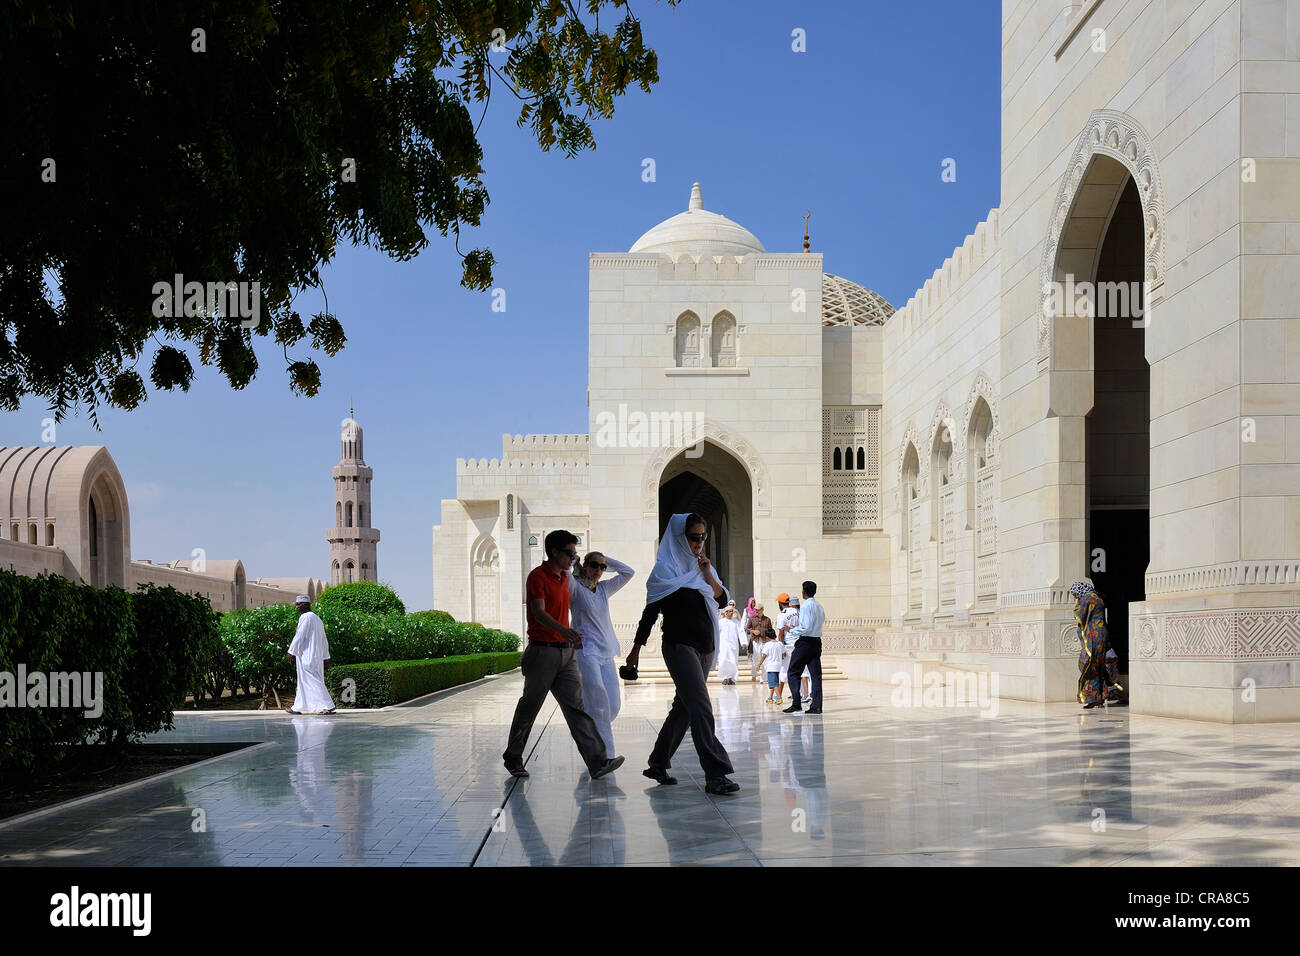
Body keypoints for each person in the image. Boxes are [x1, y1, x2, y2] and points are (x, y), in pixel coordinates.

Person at [626, 512, 740, 795]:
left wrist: (707, 574)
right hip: (679, 646)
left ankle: (657, 761)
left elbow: (722, 600)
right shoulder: (664, 572)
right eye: (694, 537)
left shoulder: (701, 568)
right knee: (701, 707)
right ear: (680, 537)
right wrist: (635, 651)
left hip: (705, 647)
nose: (699, 542)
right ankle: (715, 774)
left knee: (685, 708)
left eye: (703, 536)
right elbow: (649, 614)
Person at [503, 530, 625, 780]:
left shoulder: (564, 578)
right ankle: (513, 757)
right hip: (542, 652)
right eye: (570, 553)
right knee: (530, 707)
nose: (573, 557)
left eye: (575, 553)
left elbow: (587, 579)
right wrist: (565, 630)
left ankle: (597, 762)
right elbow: (538, 612)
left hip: (566, 654)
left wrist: (593, 563)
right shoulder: (537, 576)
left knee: (576, 709)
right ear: (554, 552)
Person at [568, 549, 636, 758]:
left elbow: (628, 572)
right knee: (598, 704)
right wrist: (575, 564)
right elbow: (565, 574)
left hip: (606, 654)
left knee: (612, 706)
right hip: (586, 653)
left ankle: (585, 729)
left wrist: (605, 558)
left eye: (603, 567)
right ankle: (605, 757)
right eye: (595, 565)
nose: (599, 570)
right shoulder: (575, 587)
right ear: (585, 566)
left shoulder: (604, 589)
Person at [1072, 580, 1123, 709]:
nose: (1075, 597)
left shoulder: (1087, 598)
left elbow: (1079, 615)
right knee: (1097, 665)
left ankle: (1094, 696)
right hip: (1101, 635)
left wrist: (1077, 605)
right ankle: (1102, 694)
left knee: (1087, 664)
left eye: (1075, 594)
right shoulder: (1097, 597)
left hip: (1093, 637)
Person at [286, 595, 335, 714]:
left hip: (307, 656)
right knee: (304, 682)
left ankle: (328, 705)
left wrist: (291, 651)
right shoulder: (317, 619)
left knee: (313, 681)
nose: (297, 607)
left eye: (299, 604)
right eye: (296, 604)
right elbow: (324, 639)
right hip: (315, 656)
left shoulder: (306, 617)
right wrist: (325, 656)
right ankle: (299, 706)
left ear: (307, 605)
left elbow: (299, 635)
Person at [783, 580, 826, 714]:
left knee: (793, 672)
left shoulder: (807, 606)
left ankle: (796, 703)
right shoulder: (819, 606)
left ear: (804, 592)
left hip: (805, 643)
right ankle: (817, 706)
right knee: (816, 675)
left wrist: (792, 631)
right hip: (816, 642)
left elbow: (805, 627)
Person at [775, 593, 798, 704]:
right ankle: (798, 695)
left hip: (788, 646)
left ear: (780, 603)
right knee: (797, 671)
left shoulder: (781, 615)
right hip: (798, 644)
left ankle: (778, 696)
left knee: (784, 671)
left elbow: (780, 634)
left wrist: (781, 649)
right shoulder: (796, 611)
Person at [746, 602, 774, 688]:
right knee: (755, 659)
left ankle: (763, 679)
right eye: (756, 610)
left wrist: (772, 640)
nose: (756, 611)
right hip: (756, 641)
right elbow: (747, 629)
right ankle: (754, 675)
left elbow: (771, 630)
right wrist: (753, 631)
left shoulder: (767, 619)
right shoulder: (752, 619)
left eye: (758, 610)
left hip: (765, 641)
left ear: (762, 610)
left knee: (765, 660)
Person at [716, 603, 745, 685]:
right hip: (723, 646)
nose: (731, 613)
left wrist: (743, 642)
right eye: (729, 611)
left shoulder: (736, 622)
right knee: (723, 661)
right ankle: (725, 678)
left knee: (733, 662)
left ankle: (731, 678)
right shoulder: (720, 622)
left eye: (732, 611)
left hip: (733, 645)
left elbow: (741, 632)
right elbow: (716, 634)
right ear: (725, 613)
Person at [759, 629, 783, 703]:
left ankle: (779, 698)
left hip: (771, 667)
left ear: (767, 637)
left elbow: (764, 656)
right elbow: (784, 654)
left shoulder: (767, 645)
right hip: (778, 666)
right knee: (774, 682)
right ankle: (770, 698)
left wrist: (759, 664)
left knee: (773, 684)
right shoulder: (780, 644)